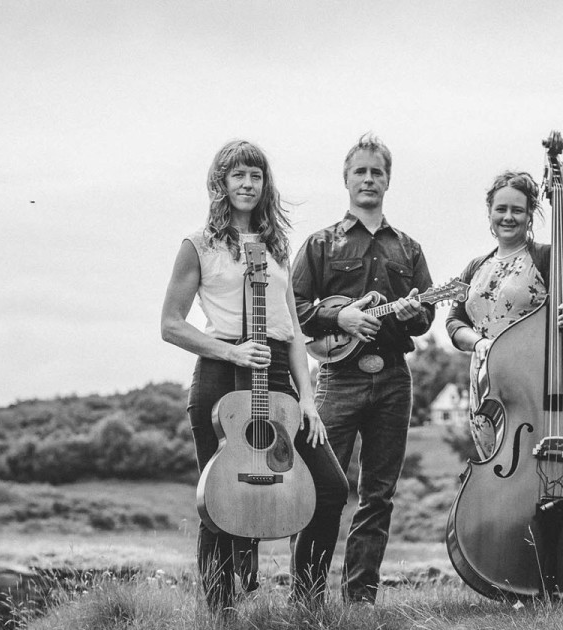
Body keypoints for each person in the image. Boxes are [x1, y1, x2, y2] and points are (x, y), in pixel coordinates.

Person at [160, 140, 349, 615]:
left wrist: (308, 399)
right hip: (221, 378)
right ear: (220, 183)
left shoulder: (278, 248)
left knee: (331, 487)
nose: (248, 184)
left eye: (256, 176)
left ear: (266, 185)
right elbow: (171, 324)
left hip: (280, 378)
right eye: (238, 175)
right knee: (219, 504)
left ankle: (307, 601)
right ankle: (221, 614)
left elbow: (294, 332)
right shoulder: (198, 245)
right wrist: (232, 351)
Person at [291, 133, 434, 604]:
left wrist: (418, 314)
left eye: (377, 172)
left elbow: (428, 313)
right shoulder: (319, 244)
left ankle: (360, 603)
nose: (369, 179)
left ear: (388, 180)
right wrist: (340, 316)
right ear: (346, 179)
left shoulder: (409, 250)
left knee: (378, 496)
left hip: (394, 378)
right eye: (361, 172)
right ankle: (307, 600)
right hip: (336, 381)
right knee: (318, 489)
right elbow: (292, 308)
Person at [445, 170, 563, 459]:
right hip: (485, 383)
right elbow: (453, 322)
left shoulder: (549, 257)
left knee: (528, 462)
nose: (508, 217)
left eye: (517, 210)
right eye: (501, 209)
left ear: (530, 216)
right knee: (495, 466)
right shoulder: (475, 266)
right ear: (490, 213)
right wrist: (478, 343)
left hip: (532, 381)